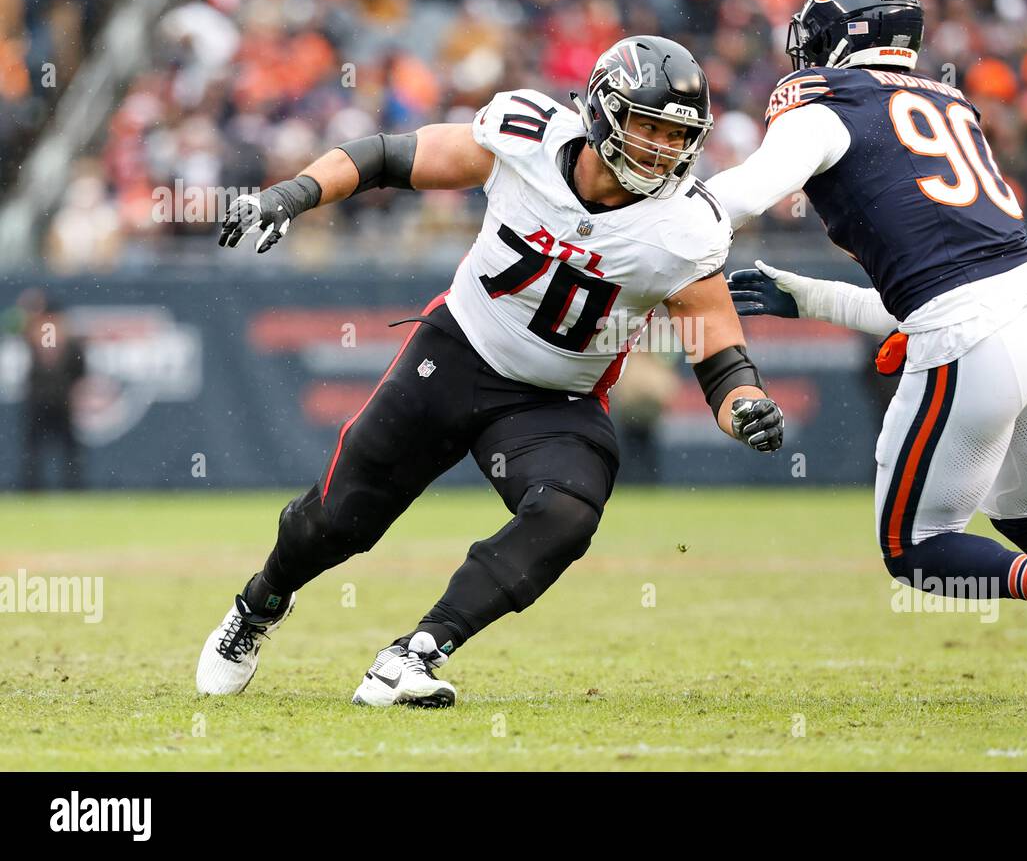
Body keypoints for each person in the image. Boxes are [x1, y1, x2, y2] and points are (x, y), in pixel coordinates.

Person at [195, 36, 786, 706]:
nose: (660, 148)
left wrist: (743, 404)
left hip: (555, 400)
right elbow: (392, 157)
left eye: (676, 134)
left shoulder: (685, 224)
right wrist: (297, 193)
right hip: (456, 353)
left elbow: (717, 351)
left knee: (567, 512)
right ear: (600, 112)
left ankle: (413, 655)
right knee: (337, 522)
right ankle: (256, 607)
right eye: (646, 125)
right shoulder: (523, 137)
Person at [711, 0, 1027, 704]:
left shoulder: (822, 108)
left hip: (975, 337)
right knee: (1024, 512)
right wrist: (810, 295)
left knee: (912, 547)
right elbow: (938, 293)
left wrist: (655, 231)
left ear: (843, 35)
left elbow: (739, 194)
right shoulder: (947, 102)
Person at [16, 290, 85, 492]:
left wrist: (26, 310)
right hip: (61, 396)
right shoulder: (66, 332)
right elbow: (80, 366)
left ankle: (32, 488)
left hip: (39, 396)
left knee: (35, 447)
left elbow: (10, 324)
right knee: (68, 447)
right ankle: (73, 487)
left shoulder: (33, 329)